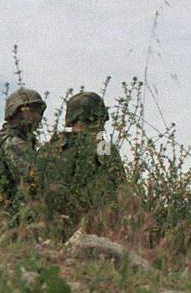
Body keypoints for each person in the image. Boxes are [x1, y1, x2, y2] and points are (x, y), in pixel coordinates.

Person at [37, 90, 125, 230]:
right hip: (90, 230)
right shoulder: (103, 148)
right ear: (98, 117)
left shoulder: (47, 150)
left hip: (48, 229)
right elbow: (118, 191)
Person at [0, 87, 46, 226]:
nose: (38, 117)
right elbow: (36, 180)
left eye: (39, 112)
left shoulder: (0, 141)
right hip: (7, 222)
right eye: (33, 110)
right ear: (17, 111)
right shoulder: (13, 143)